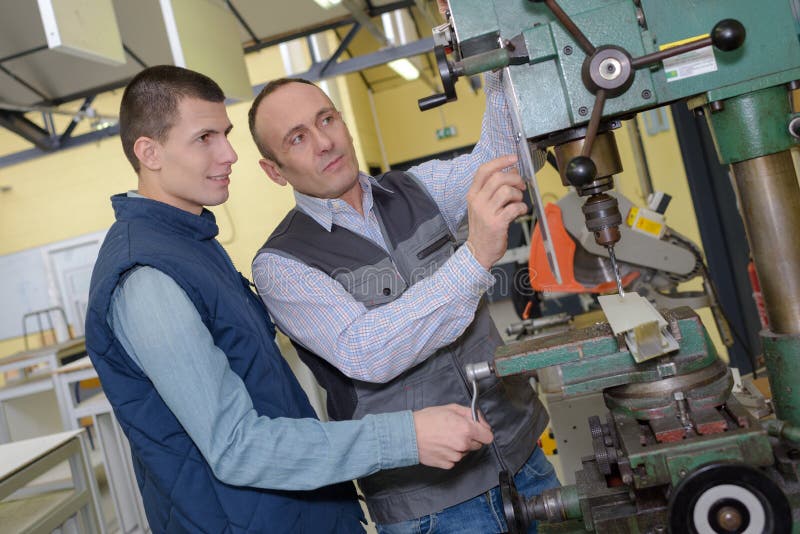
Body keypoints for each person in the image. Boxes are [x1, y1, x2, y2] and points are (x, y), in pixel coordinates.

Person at [84, 65, 494, 534]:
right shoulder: (147, 277)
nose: (230, 154)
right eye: (205, 138)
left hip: (300, 513)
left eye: (226, 134)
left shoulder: (191, 246)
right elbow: (238, 446)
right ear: (149, 152)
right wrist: (406, 436)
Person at [248, 67, 560, 532]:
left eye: (326, 120)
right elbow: (365, 350)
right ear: (274, 171)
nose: (324, 142)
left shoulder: (418, 189)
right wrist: (474, 258)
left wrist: (500, 59)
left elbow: (505, 162)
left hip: (522, 455)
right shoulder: (281, 263)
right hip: (433, 509)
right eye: (297, 138)